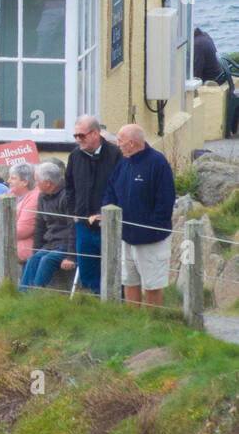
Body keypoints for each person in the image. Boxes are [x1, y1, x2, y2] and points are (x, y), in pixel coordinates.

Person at [103, 124, 175, 309]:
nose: (117, 145)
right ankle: (133, 326)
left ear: (132, 143)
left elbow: (165, 199)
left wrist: (152, 229)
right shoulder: (123, 163)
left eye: (120, 141)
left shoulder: (158, 163)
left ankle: (151, 325)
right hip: (126, 237)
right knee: (129, 281)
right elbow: (111, 190)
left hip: (151, 240)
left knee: (152, 285)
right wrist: (106, 210)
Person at [64, 114, 121, 293]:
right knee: (88, 274)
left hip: (108, 225)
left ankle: (118, 309)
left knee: (114, 271)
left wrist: (104, 216)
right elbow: (70, 187)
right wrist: (74, 213)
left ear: (95, 133)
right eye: (76, 136)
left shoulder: (115, 155)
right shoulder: (74, 156)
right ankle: (94, 309)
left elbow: (120, 189)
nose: (78, 140)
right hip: (83, 225)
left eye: (82, 135)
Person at [20, 162, 76, 290]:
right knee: (33, 259)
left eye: (36, 180)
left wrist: (71, 256)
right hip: (51, 243)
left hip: (66, 245)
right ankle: (22, 297)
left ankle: (35, 297)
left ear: (47, 182)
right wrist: (36, 251)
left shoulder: (67, 196)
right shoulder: (42, 197)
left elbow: (73, 228)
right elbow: (39, 226)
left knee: (47, 260)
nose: (35, 184)